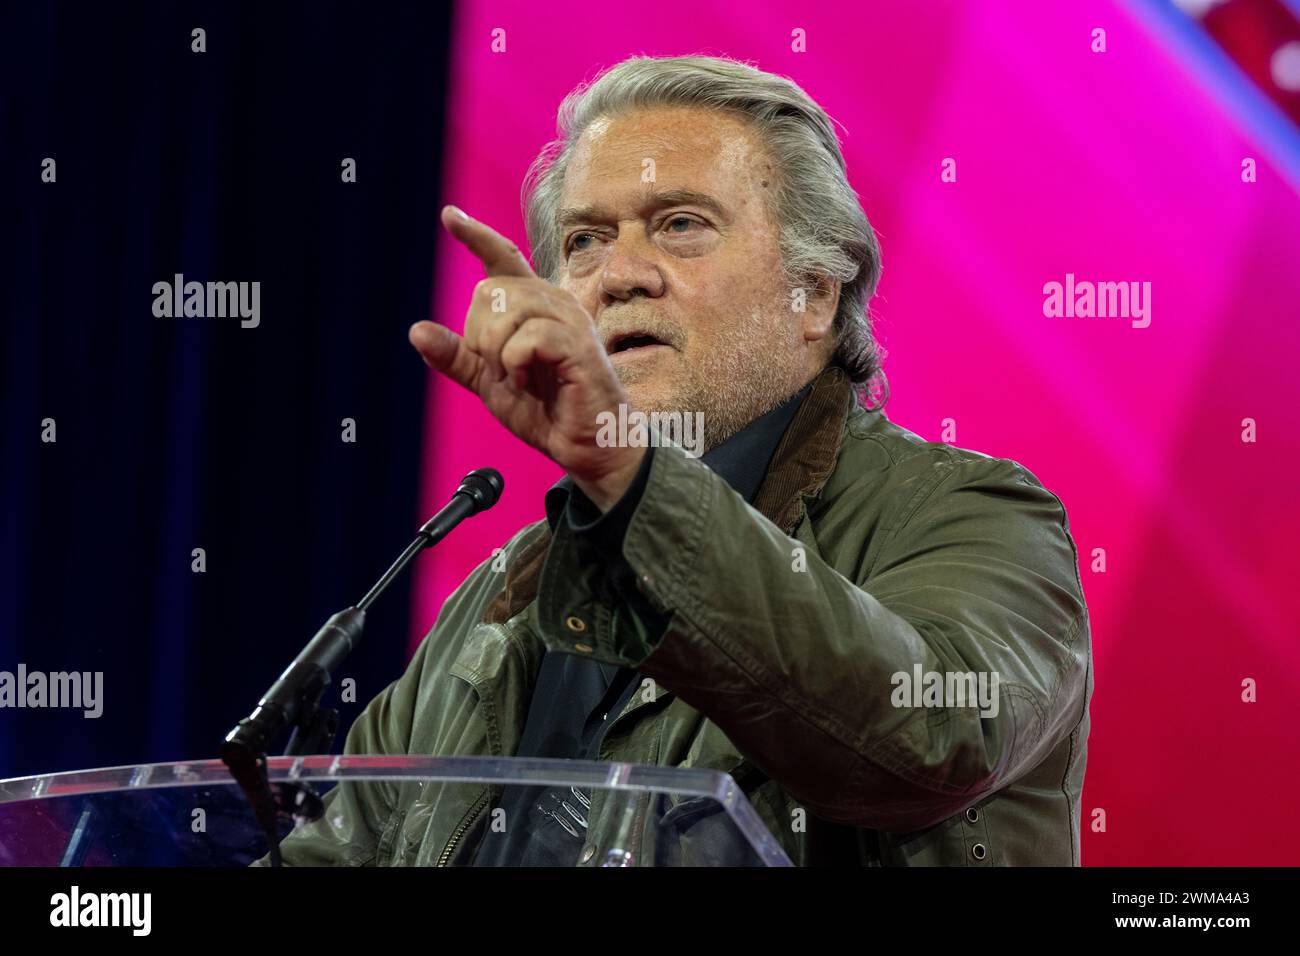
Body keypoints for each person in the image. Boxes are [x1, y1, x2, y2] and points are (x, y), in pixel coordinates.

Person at [271, 54, 1092, 867]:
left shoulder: (972, 514)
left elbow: (928, 744)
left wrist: (633, 480)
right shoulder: (496, 605)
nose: (621, 275)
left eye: (681, 224)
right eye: (586, 240)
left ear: (816, 293)